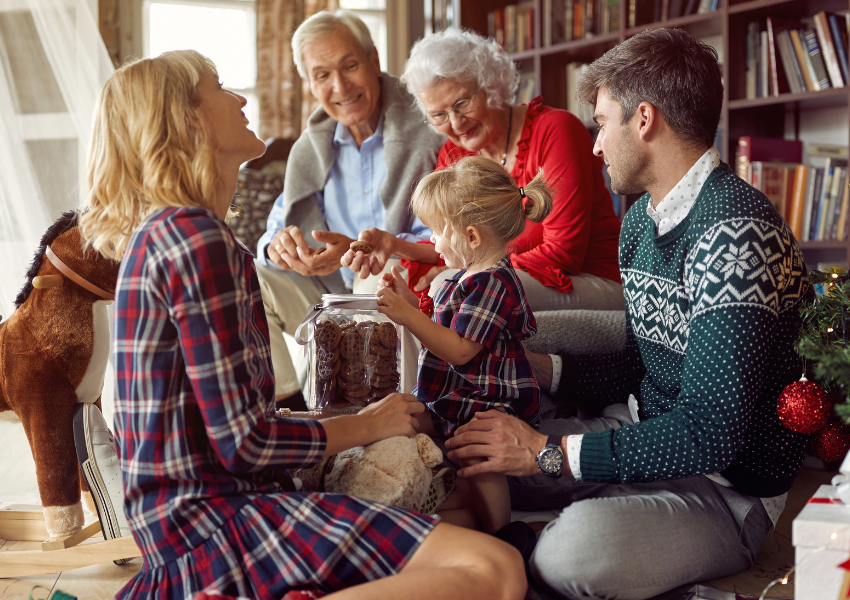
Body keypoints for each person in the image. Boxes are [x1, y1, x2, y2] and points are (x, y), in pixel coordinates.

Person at [79, 50, 525, 600]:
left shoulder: (175, 232)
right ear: (188, 119)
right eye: (219, 87)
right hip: (212, 529)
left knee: (463, 527)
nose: (240, 99)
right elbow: (245, 443)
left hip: (198, 520)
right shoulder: (194, 238)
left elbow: (230, 431)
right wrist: (367, 423)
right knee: (497, 570)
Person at [443, 29, 814, 600]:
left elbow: (711, 434)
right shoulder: (641, 221)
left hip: (724, 489)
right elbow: (641, 365)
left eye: (601, 123)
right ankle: (567, 524)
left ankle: (561, 532)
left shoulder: (735, 232)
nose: (595, 146)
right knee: (474, 466)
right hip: (636, 430)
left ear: (644, 119)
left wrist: (545, 453)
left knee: (572, 552)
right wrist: (540, 368)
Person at [355, 28, 624, 312]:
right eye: (439, 114)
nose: (455, 123)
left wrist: (464, 273)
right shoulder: (455, 154)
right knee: (380, 284)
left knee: (454, 289)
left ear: (491, 85)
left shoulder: (556, 131)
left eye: (462, 103)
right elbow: (453, 243)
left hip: (589, 279)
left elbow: (562, 254)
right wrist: (395, 245)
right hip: (506, 273)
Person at [254, 10, 445, 400]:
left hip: (396, 283)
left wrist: (362, 251)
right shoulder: (312, 146)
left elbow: (443, 234)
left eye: (350, 66)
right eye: (322, 75)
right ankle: (290, 408)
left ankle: (396, 412)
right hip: (326, 294)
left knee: (378, 276)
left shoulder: (428, 128)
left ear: (374, 59)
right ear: (310, 84)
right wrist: (278, 248)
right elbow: (276, 229)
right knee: (250, 279)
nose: (340, 86)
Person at [374, 157, 551, 539]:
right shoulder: (464, 276)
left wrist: (407, 315)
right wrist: (411, 300)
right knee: (401, 418)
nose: (433, 242)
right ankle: (450, 504)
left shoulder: (493, 282)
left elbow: (459, 351)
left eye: (437, 231)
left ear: (471, 237)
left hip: (485, 399)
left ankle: (504, 533)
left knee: (478, 453)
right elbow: (442, 331)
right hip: (454, 392)